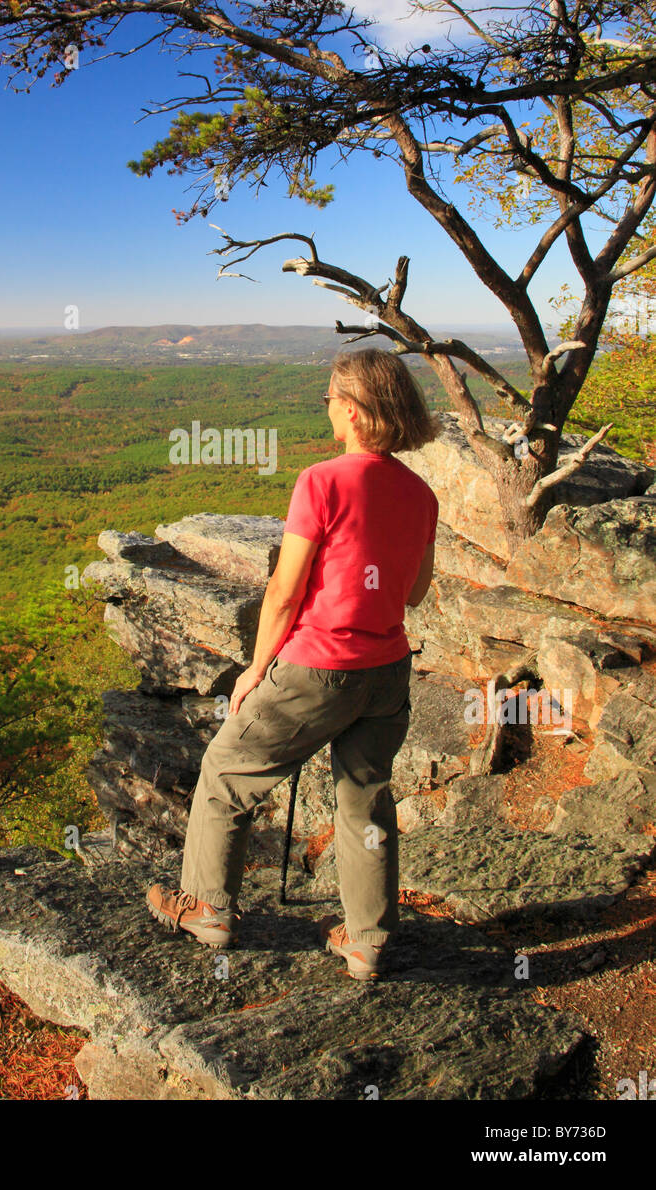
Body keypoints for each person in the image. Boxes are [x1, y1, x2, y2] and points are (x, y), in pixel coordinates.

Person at [146, 346, 441, 980]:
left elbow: (284, 590)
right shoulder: (420, 493)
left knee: (226, 769)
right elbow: (414, 593)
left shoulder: (321, 481)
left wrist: (257, 668)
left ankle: (206, 909)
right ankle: (368, 939)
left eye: (331, 399)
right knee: (365, 800)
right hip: (386, 670)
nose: (327, 409)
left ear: (356, 412)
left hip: (318, 664)